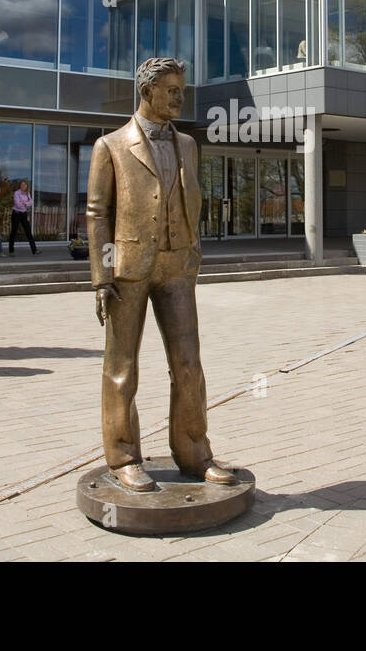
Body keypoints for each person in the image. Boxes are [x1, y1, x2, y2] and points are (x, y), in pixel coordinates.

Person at [88, 57, 236, 492]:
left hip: (177, 268)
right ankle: (123, 457)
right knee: (122, 367)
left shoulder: (188, 144)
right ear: (146, 91)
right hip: (128, 270)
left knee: (188, 364)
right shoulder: (111, 145)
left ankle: (195, 453)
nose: (179, 96)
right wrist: (102, 275)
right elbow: (98, 214)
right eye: (171, 89)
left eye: (181, 89)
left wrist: (193, 253)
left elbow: (193, 200)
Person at [8, 179, 37, 256]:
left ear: (27, 186)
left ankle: (34, 250)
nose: (23, 186)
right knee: (14, 232)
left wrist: (24, 203)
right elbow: (17, 205)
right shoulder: (16, 193)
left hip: (24, 214)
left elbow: (31, 202)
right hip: (16, 214)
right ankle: (11, 251)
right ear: (19, 185)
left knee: (28, 232)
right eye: (22, 184)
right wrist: (26, 203)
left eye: (25, 185)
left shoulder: (27, 193)